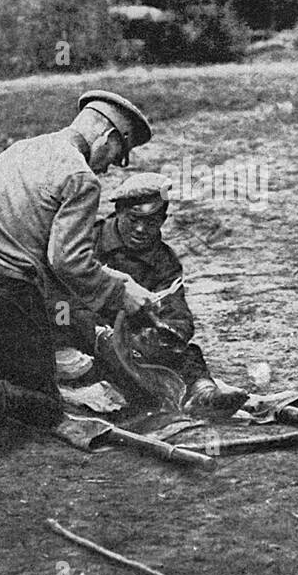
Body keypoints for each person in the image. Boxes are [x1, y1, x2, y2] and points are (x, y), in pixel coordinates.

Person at [0, 91, 158, 454]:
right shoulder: (80, 177)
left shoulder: (18, 150)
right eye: (117, 155)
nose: (109, 167)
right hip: (3, 297)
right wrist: (120, 290)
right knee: (46, 407)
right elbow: (68, 261)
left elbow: (26, 241)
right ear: (108, 138)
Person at [51, 171, 248, 414]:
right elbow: (57, 294)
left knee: (183, 354)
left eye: (152, 222)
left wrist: (161, 333)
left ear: (163, 220)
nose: (141, 229)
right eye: (133, 219)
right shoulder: (87, 242)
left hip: (132, 345)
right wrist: (88, 330)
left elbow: (180, 319)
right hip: (78, 333)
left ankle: (203, 392)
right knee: (63, 319)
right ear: (119, 211)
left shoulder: (164, 261)